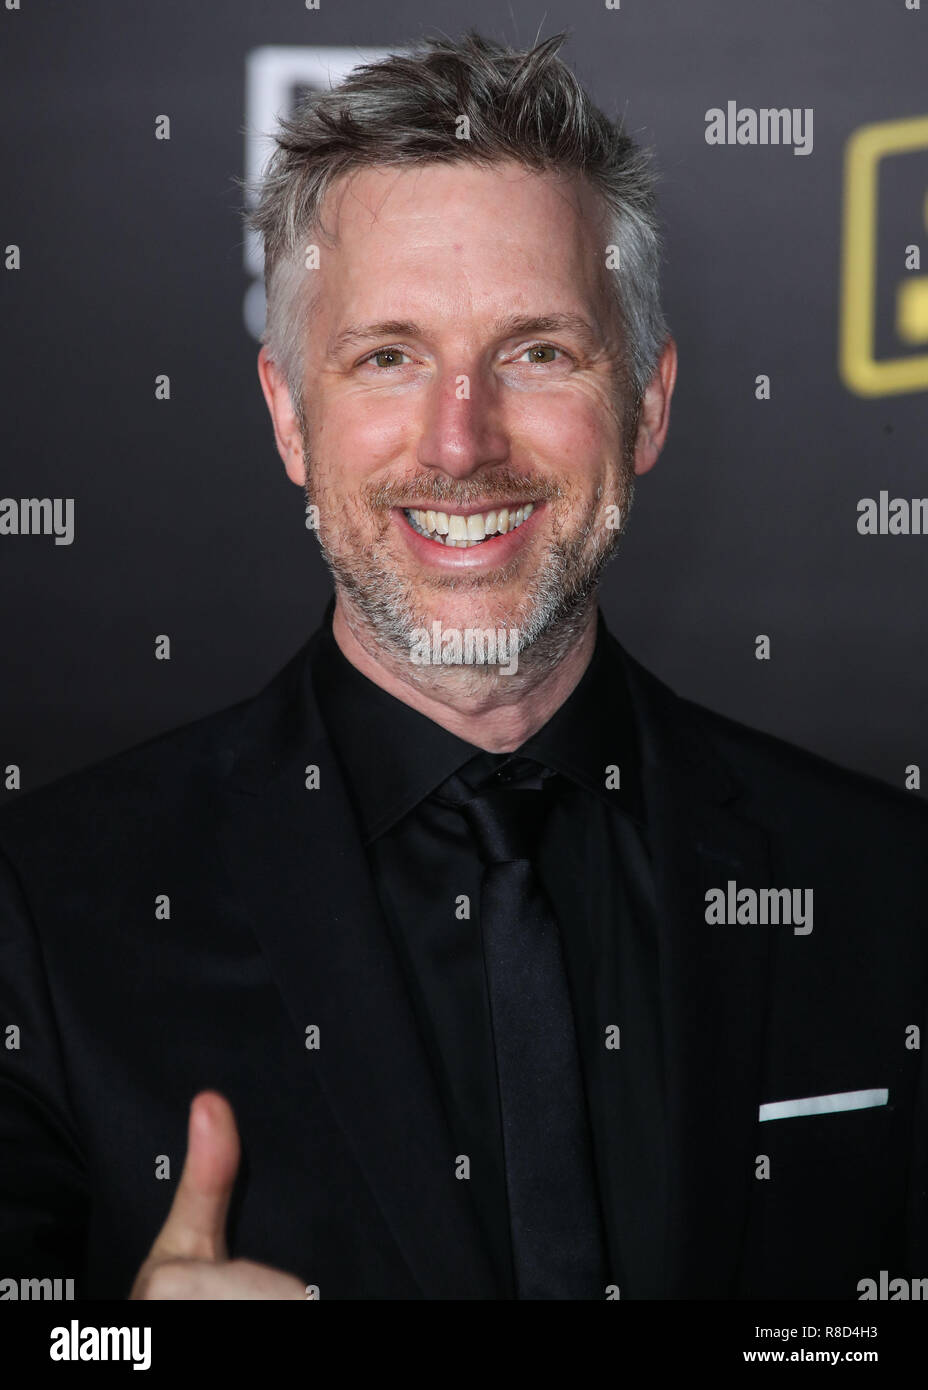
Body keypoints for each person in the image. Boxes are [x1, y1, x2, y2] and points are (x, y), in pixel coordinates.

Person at [1, 30, 925, 1302]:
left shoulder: (885, 888)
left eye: (537, 351)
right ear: (288, 415)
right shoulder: (43, 915)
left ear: (647, 405)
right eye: (388, 355)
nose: (460, 441)